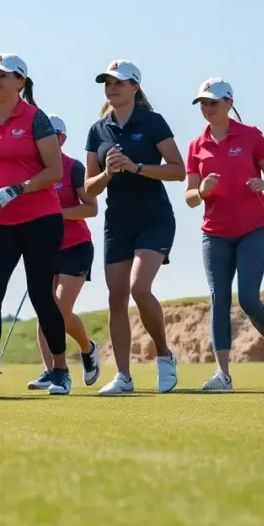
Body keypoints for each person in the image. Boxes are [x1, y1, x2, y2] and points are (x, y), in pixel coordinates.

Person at [0, 53, 70, 397]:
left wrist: (18, 188)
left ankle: (60, 369)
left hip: (41, 218)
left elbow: (54, 170)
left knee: (41, 294)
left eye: (2, 76)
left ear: (20, 82)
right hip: (0, 220)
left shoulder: (36, 119)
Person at [83, 59, 185, 396]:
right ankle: (124, 377)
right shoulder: (98, 130)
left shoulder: (152, 122)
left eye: (119, 83)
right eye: (107, 83)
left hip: (154, 217)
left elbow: (177, 170)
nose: (112, 88)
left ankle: (165, 356)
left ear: (134, 87)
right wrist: (109, 173)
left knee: (140, 288)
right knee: (116, 298)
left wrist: (137, 167)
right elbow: (89, 188)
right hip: (118, 222)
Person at [185, 78, 264, 390]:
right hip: (214, 233)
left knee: (247, 298)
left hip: (254, 228)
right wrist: (201, 190)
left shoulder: (251, 136)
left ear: (229, 103)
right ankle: (223, 375)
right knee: (218, 298)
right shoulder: (196, 145)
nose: (207, 108)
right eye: (203, 103)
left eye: (212, 102)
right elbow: (189, 197)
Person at [26, 115, 102, 392]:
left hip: (76, 247)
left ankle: (87, 349)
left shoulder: (73, 168)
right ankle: (51, 371)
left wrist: (55, 214)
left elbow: (90, 208)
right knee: (44, 310)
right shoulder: (33, 172)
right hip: (44, 248)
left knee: (58, 309)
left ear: (62, 139)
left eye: (53, 134)